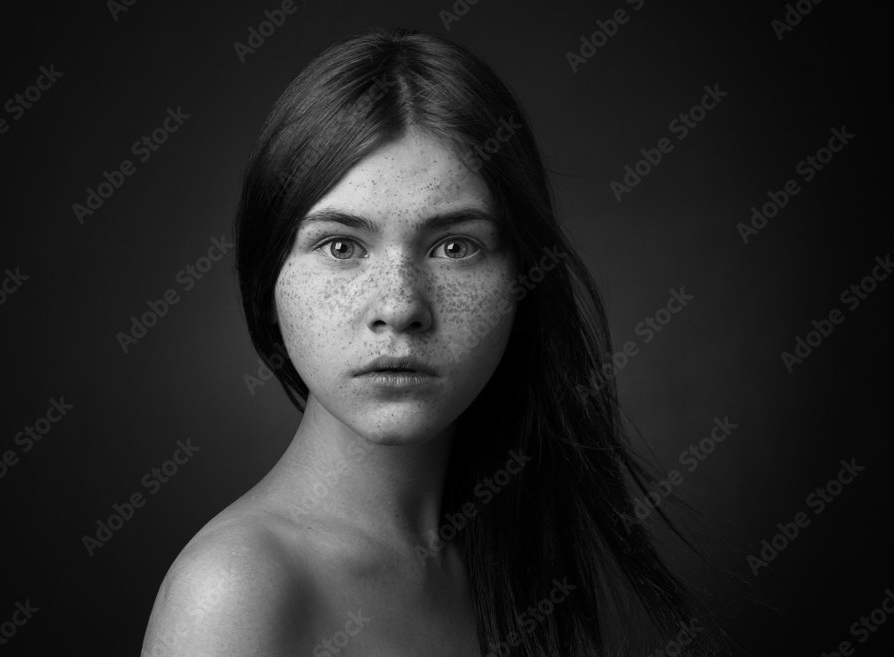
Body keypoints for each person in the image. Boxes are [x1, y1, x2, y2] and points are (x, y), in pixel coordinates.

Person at [142, 27, 718, 657]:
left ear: (522, 281)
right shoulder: (235, 591)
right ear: (267, 280)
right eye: (341, 246)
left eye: (454, 246)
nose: (399, 306)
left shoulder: (508, 555)